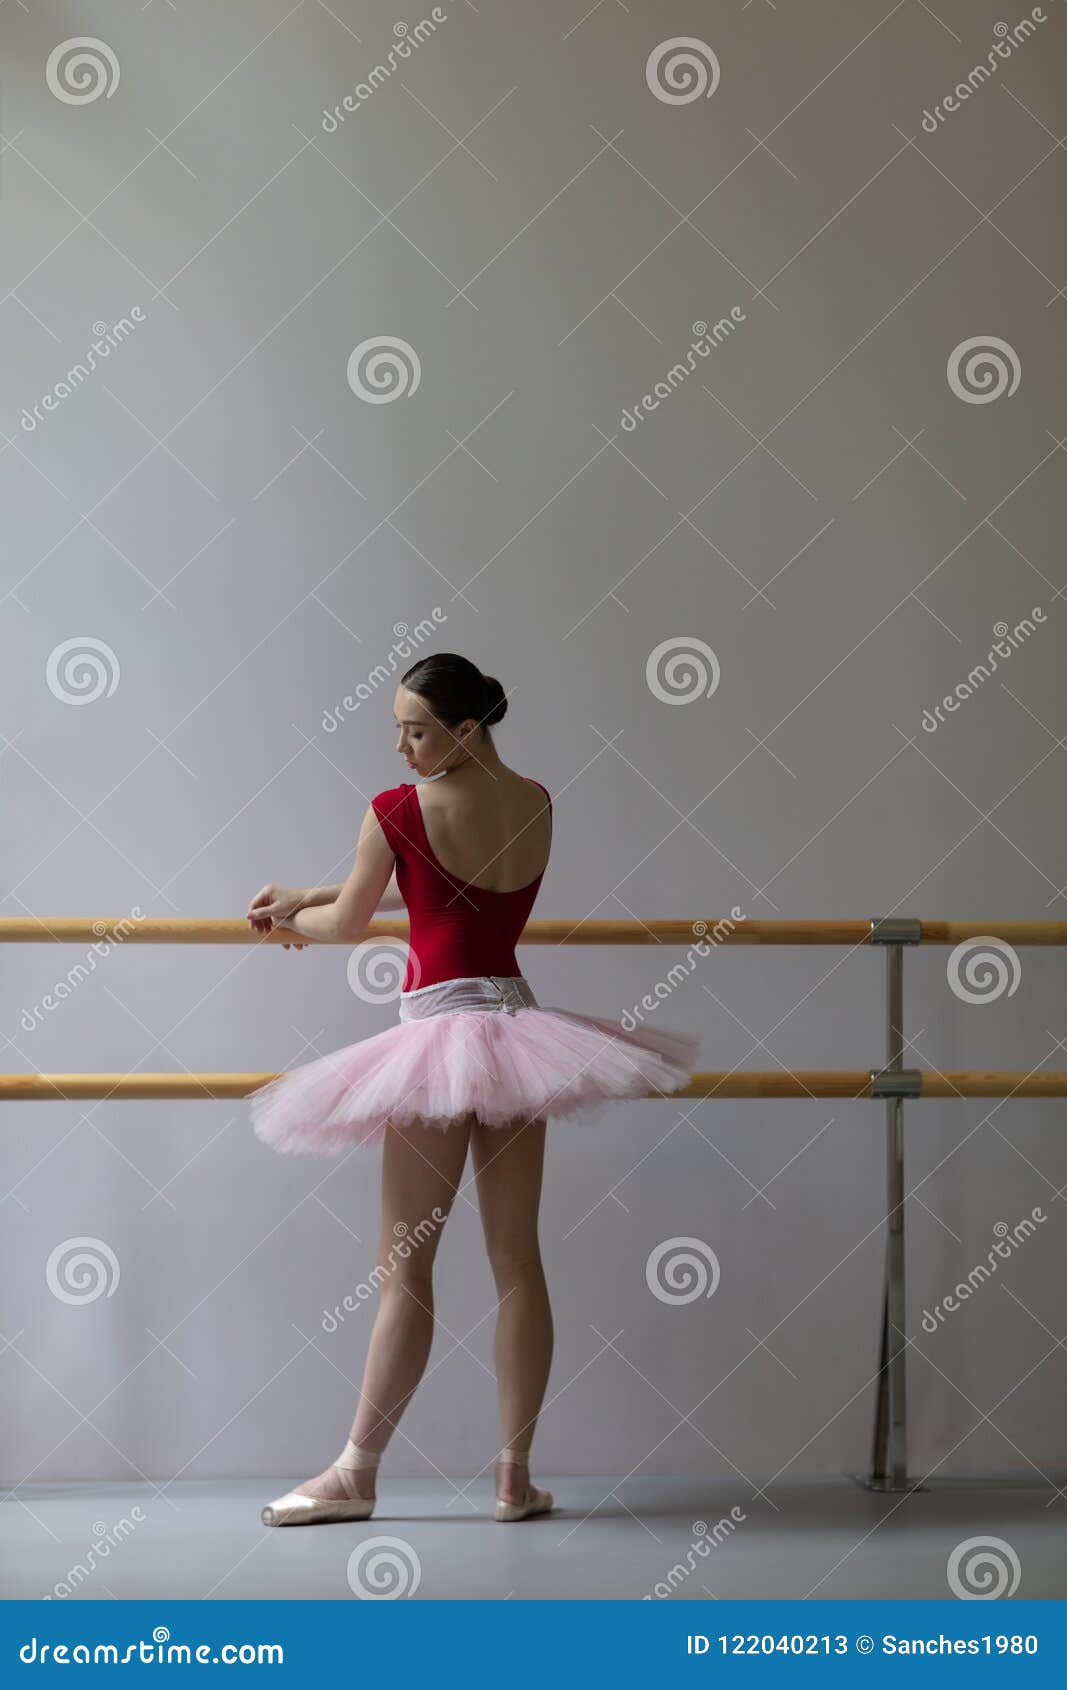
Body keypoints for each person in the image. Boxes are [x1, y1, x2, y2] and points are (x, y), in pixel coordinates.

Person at [246, 652, 701, 1527]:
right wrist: (314, 888)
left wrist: (286, 923)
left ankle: (354, 1475)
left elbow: (352, 921)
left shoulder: (395, 811)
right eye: (397, 732)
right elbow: (436, 896)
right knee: (516, 1262)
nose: (402, 748)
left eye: (416, 731)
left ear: (463, 729)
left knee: (404, 1266)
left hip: (433, 1040)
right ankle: (512, 1477)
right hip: (519, 1032)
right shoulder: (534, 801)